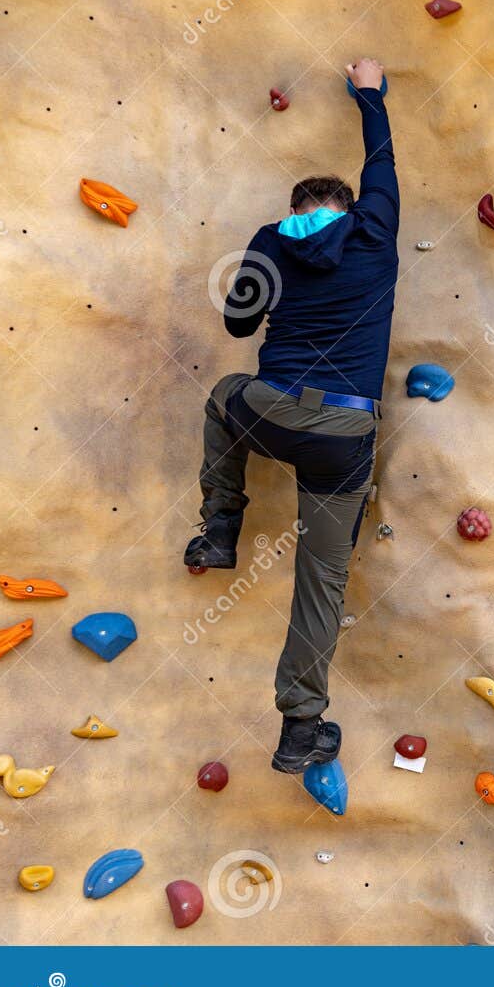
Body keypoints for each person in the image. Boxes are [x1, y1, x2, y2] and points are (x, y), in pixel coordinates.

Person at [186, 57, 398, 774]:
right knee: (321, 582)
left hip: (271, 414)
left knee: (222, 395)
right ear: (348, 206)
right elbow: (382, 164)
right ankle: (300, 728)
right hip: (346, 435)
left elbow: (240, 328)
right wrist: (367, 92)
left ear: (295, 207)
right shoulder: (374, 230)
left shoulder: (272, 240)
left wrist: (267, 260)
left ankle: (219, 530)